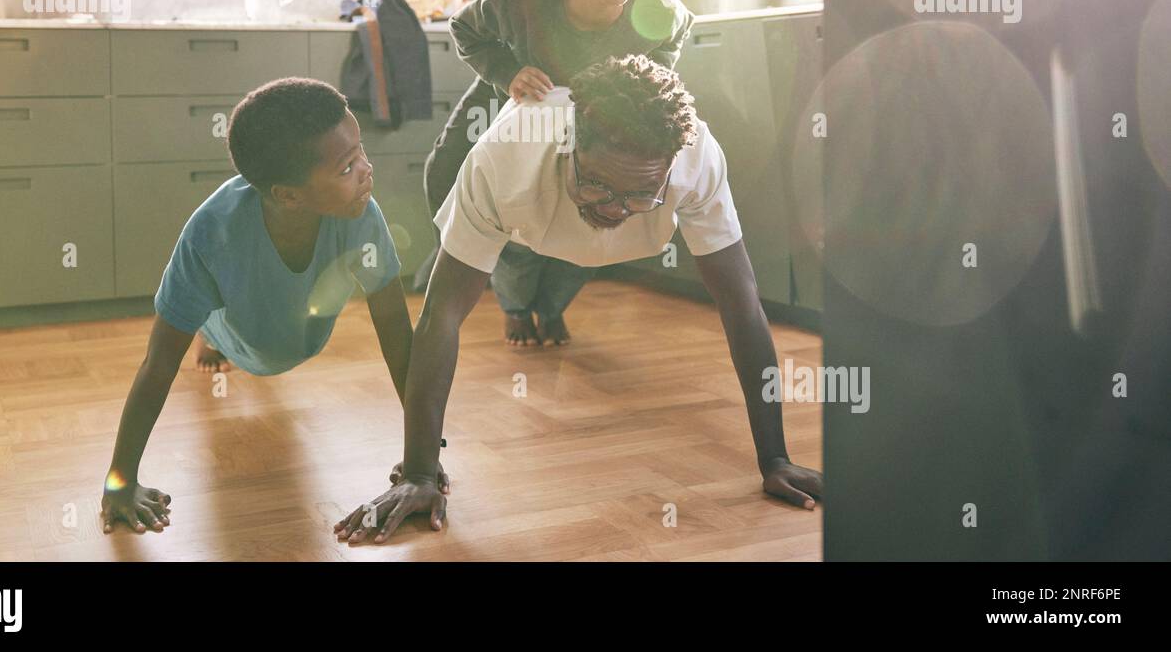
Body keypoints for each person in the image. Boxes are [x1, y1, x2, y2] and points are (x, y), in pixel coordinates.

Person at [335, 55, 825, 544]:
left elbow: (742, 307)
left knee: (592, 252)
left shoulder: (696, 158)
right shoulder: (502, 158)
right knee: (511, 276)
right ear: (573, 147)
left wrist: (775, 458)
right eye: (597, 185)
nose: (614, 208)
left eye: (638, 195)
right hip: (527, 217)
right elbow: (441, 314)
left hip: (578, 220)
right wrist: (421, 470)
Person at [100, 77, 447, 535]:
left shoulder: (361, 216)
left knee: (284, 326)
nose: (366, 169)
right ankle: (208, 329)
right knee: (210, 319)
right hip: (239, 333)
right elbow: (158, 364)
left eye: (360, 151)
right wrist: (119, 483)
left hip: (301, 330)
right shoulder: (211, 235)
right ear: (287, 194)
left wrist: (422, 460)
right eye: (346, 167)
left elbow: (399, 339)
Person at [417, 0, 695, 349]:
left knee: (590, 213)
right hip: (516, 105)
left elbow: (678, 32)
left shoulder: (657, 10)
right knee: (456, 182)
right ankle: (516, 302)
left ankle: (552, 306)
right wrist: (506, 72)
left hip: (591, 121)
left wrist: (646, 80)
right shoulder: (524, 1)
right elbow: (464, 27)